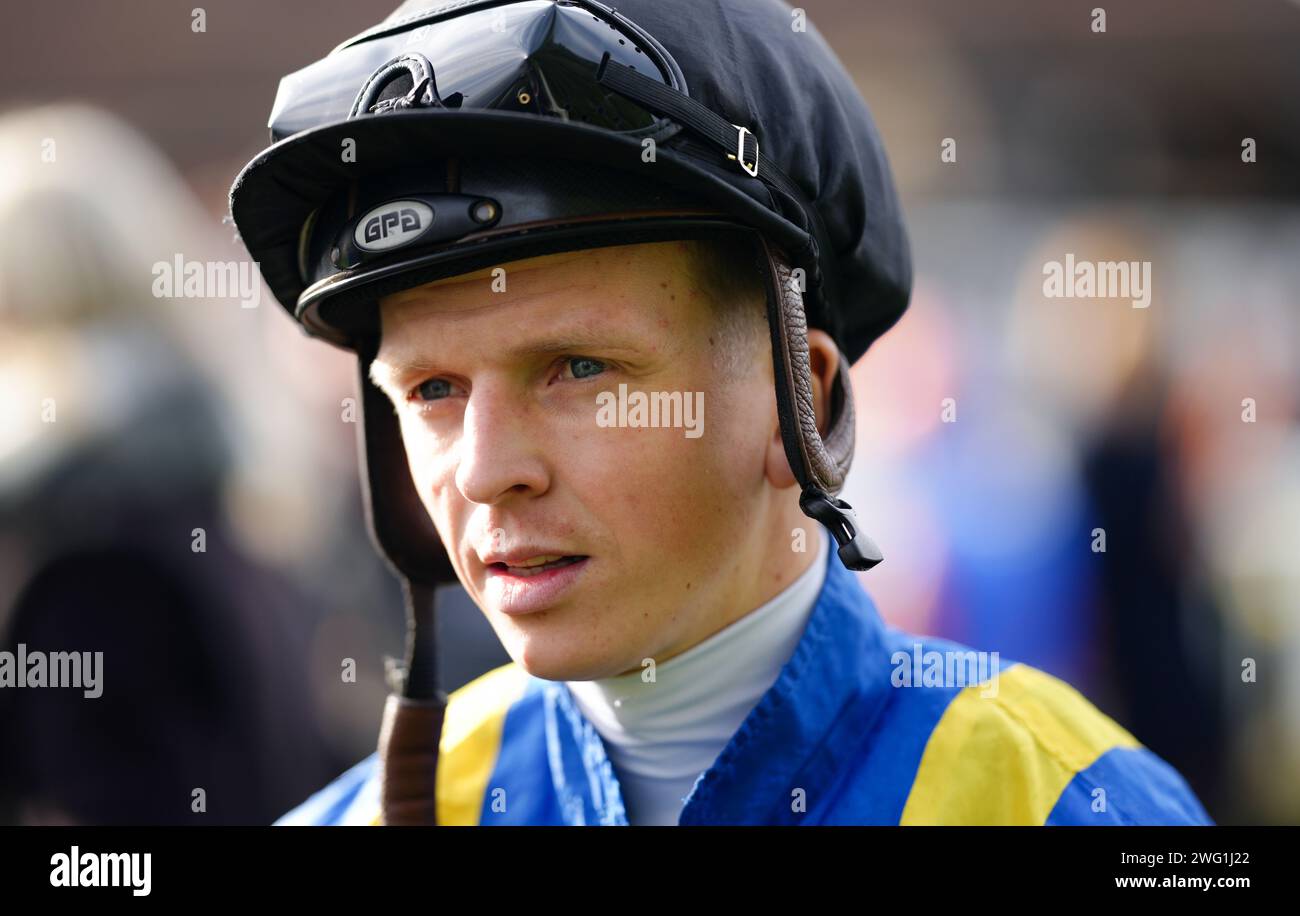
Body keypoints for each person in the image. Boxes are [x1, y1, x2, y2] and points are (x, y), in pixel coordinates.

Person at [229, 0, 1212, 825]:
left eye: (577, 367)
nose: (485, 471)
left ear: (805, 401)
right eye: (432, 390)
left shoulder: (1077, 804)